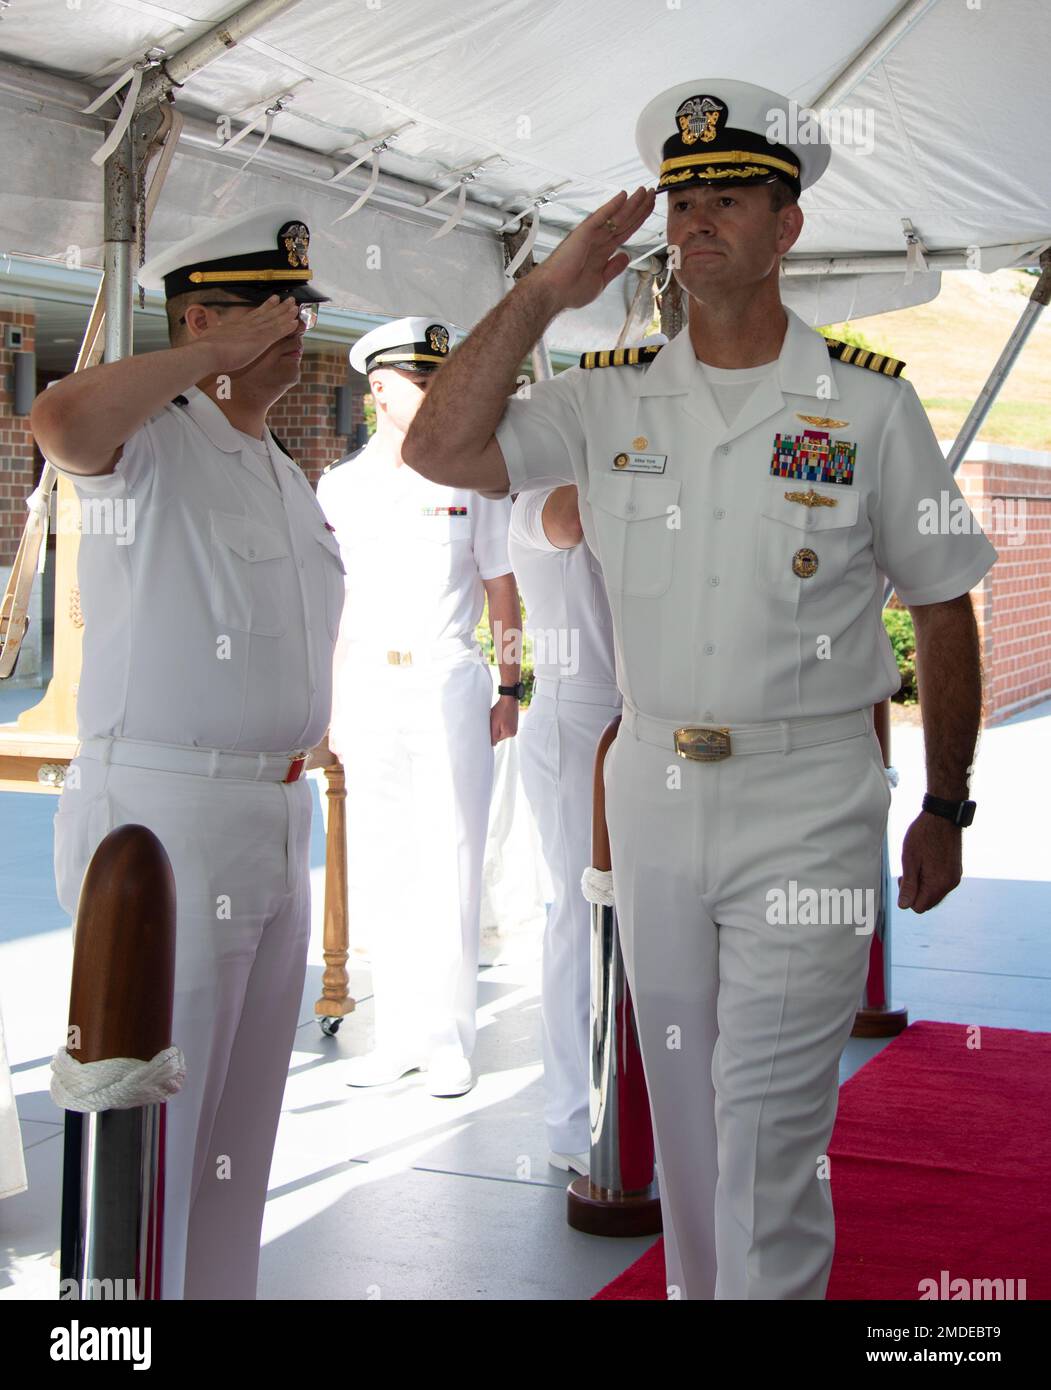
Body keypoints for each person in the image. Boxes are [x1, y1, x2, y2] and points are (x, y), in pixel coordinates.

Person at [400, 80, 997, 1299]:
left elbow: (941, 599)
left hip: (809, 791)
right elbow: (440, 448)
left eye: (729, 197)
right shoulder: (609, 392)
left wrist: (946, 801)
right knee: (685, 1116)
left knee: (768, 1130)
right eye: (682, 201)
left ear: (788, 228)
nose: (697, 221)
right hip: (657, 791)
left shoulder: (869, 405)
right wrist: (540, 295)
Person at [30, 205, 345, 1299]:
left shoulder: (279, 468)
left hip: (273, 813)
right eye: (271, 307)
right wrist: (203, 360)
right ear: (203, 317)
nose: (297, 325)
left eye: (301, 306)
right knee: (153, 1112)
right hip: (167, 820)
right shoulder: (154, 443)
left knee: (236, 1129)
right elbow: (59, 421)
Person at [317, 317, 521, 1099]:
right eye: (419, 380)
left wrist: (509, 687)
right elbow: (333, 599)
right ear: (377, 389)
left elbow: (501, 586)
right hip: (367, 686)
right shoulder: (340, 487)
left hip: (447, 678)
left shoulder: (471, 478)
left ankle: (448, 1039)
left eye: (441, 378)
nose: (435, 391)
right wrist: (327, 703)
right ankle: (396, 1034)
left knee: (452, 859)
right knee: (383, 864)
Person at [508, 486, 621, 1175]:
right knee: (581, 918)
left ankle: (641, 1094)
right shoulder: (532, 496)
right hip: (575, 722)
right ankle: (572, 1121)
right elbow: (575, 516)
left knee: (646, 923)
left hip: (647, 719)